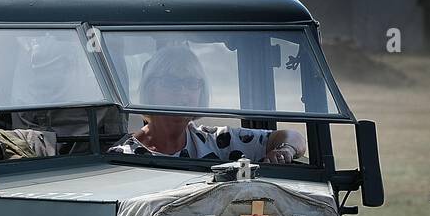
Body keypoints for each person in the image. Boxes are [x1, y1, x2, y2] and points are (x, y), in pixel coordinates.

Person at [109, 46, 308, 162]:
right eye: (170, 82)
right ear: (149, 88)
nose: (183, 93)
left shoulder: (218, 141)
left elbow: (293, 137)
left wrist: (285, 150)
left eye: (191, 83)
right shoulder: (125, 156)